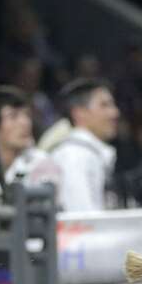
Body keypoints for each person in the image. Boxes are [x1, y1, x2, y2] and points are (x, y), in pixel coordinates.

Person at [49, 77, 120, 210]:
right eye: (104, 105)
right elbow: (83, 223)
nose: (115, 113)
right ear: (79, 113)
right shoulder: (75, 156)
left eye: (113, 105)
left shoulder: (86, 153)